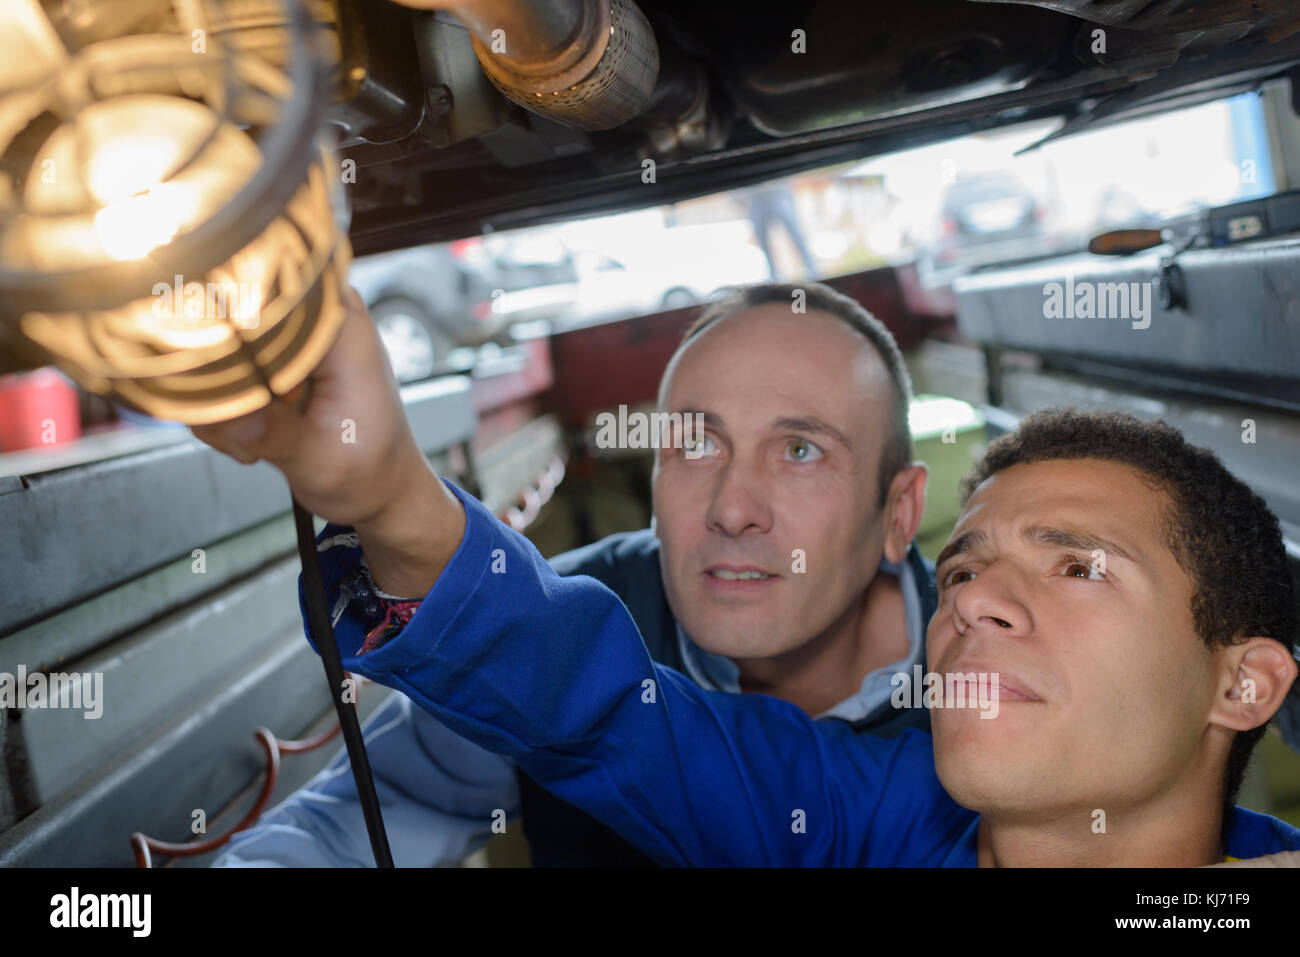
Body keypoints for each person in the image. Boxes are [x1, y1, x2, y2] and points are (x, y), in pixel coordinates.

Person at [258, 406, 1300, 865]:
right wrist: (392, 501)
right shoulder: (863, 813)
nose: (972, 603)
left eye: (1077, 567)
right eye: (969, 568)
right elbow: (610, 713)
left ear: (1243, 686)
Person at [200, 281, 932, 867]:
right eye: (695, 445)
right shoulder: (578, 607)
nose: (732, 507)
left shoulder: (987, 681)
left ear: (899, 515)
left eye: (800, 450)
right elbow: (355, 822)